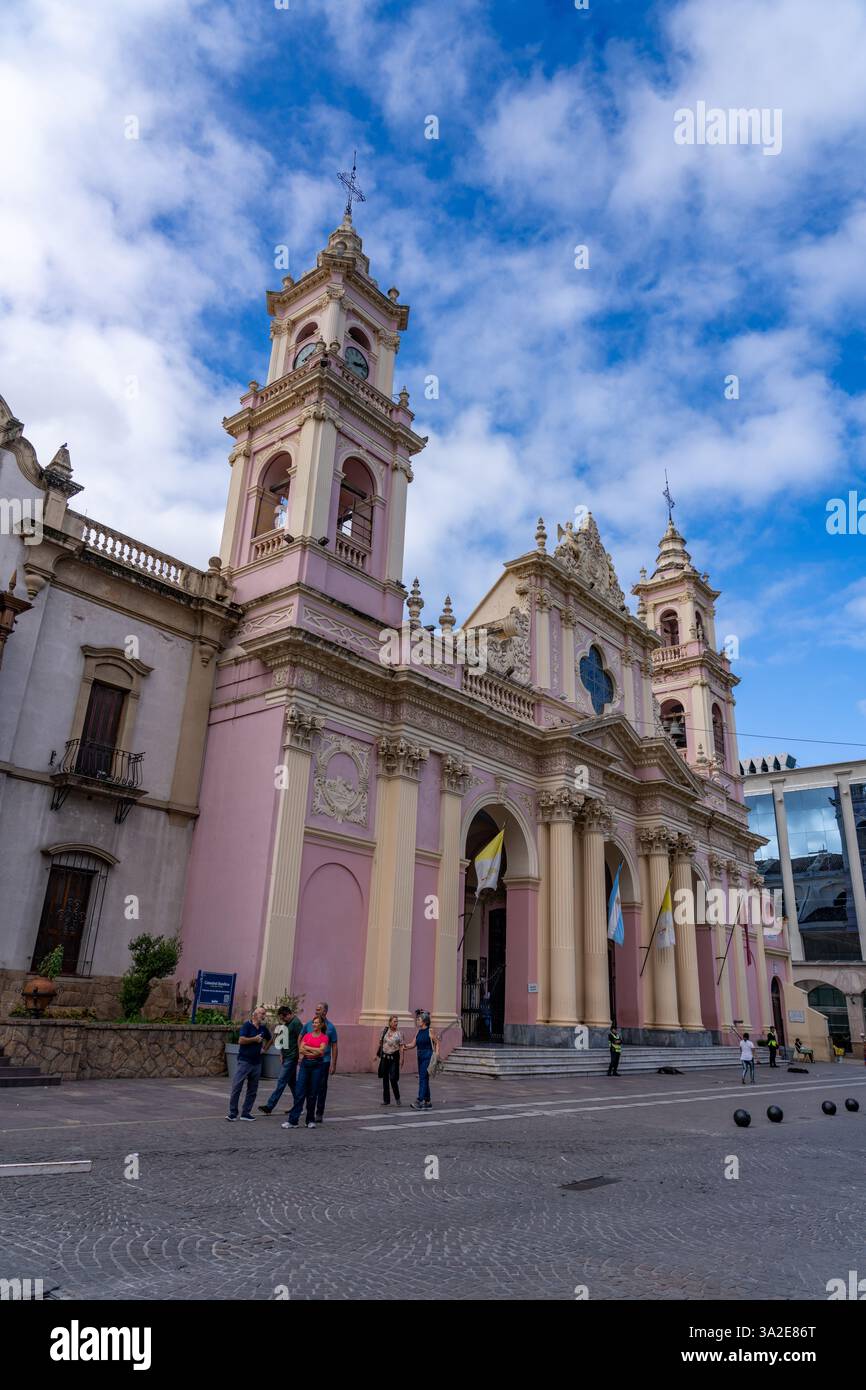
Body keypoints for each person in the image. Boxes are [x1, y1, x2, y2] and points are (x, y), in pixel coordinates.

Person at [281, 1015, 329, 1129]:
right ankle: (293, 1121)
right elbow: (301, 1049)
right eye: (313, 1022)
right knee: (299, 1092)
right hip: (305, 1065)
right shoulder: (307, 1036)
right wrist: (313, 1051)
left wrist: (309, 1049)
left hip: (317, 1065)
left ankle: (310, 1120)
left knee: (312, 1094)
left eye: (317, 1023)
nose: (314, 1025)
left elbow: (321, 1051)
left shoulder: (324, 1037)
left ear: (321, 1025)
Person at [227, 1006, 272, 1121]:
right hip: (244, 1061)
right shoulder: (247, 1026)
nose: (263, 1015)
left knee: (252, 1089)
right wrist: (254, 1039)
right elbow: (241, 1040)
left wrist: (265, 1049)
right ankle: (233, 1113)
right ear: (254, 1015)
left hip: (257, 1063)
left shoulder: (263, 1028)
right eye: (262, 1013)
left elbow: (270, 1039)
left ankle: (246, 1113)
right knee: (237, 1087)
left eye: (264, 1013)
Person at [258, 1004, 302, 1115]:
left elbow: (301, 1040)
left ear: (288, 1014)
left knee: (281, 1081)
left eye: (283, 1018)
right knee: (292, 1084)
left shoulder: (296, 1023)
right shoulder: (287, 1023)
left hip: (292, 1057)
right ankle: (299, 1106)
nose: (282, 1020)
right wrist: (282, 1053)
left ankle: (269, 1106)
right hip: (287, 1056)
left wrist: (299, 1055)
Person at [300, 1001, 338, 1122]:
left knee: (321, 1087)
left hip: (324, 1061)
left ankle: (319, 1112)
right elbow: (300, 1038)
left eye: (319, 1009)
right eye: (316, 1009)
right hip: (308, 1059)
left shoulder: (331, 1027)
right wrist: (301, 1054)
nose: (316, 1011)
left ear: (325, 1011)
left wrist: (334, 1064)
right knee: (308, 1086)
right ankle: (309, 1110)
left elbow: (334, 1046)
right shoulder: (309, 1024)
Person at [406, 1010, 439, 1110]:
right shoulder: (419, 1031)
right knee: (424, 1078)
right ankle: (428, 1101)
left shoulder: (430, 1031)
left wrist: (437, 1054)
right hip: (420, 1056)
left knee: (423, 1079)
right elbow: (413, 1044)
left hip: (428, 1056)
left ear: (424, 1021)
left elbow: (436, 1042)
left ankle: (419, 1100)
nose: (417, 1021)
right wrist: (404, 1046)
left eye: (419, 1019)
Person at [376, 1014, 403, 1105]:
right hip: (384, 1057)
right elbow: (380, 1043)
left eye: (397, 1021)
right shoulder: (384, 1031)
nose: (396, 1023)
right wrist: (377, 1055)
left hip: (394, 1058)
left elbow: (401, 1047)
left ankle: (397, 1098)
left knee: (393, 1078)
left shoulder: (399, 1033)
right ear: (390, 1022)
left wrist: (402, 1059)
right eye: (394, 1021)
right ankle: (386, 1100)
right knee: (385, 1078)